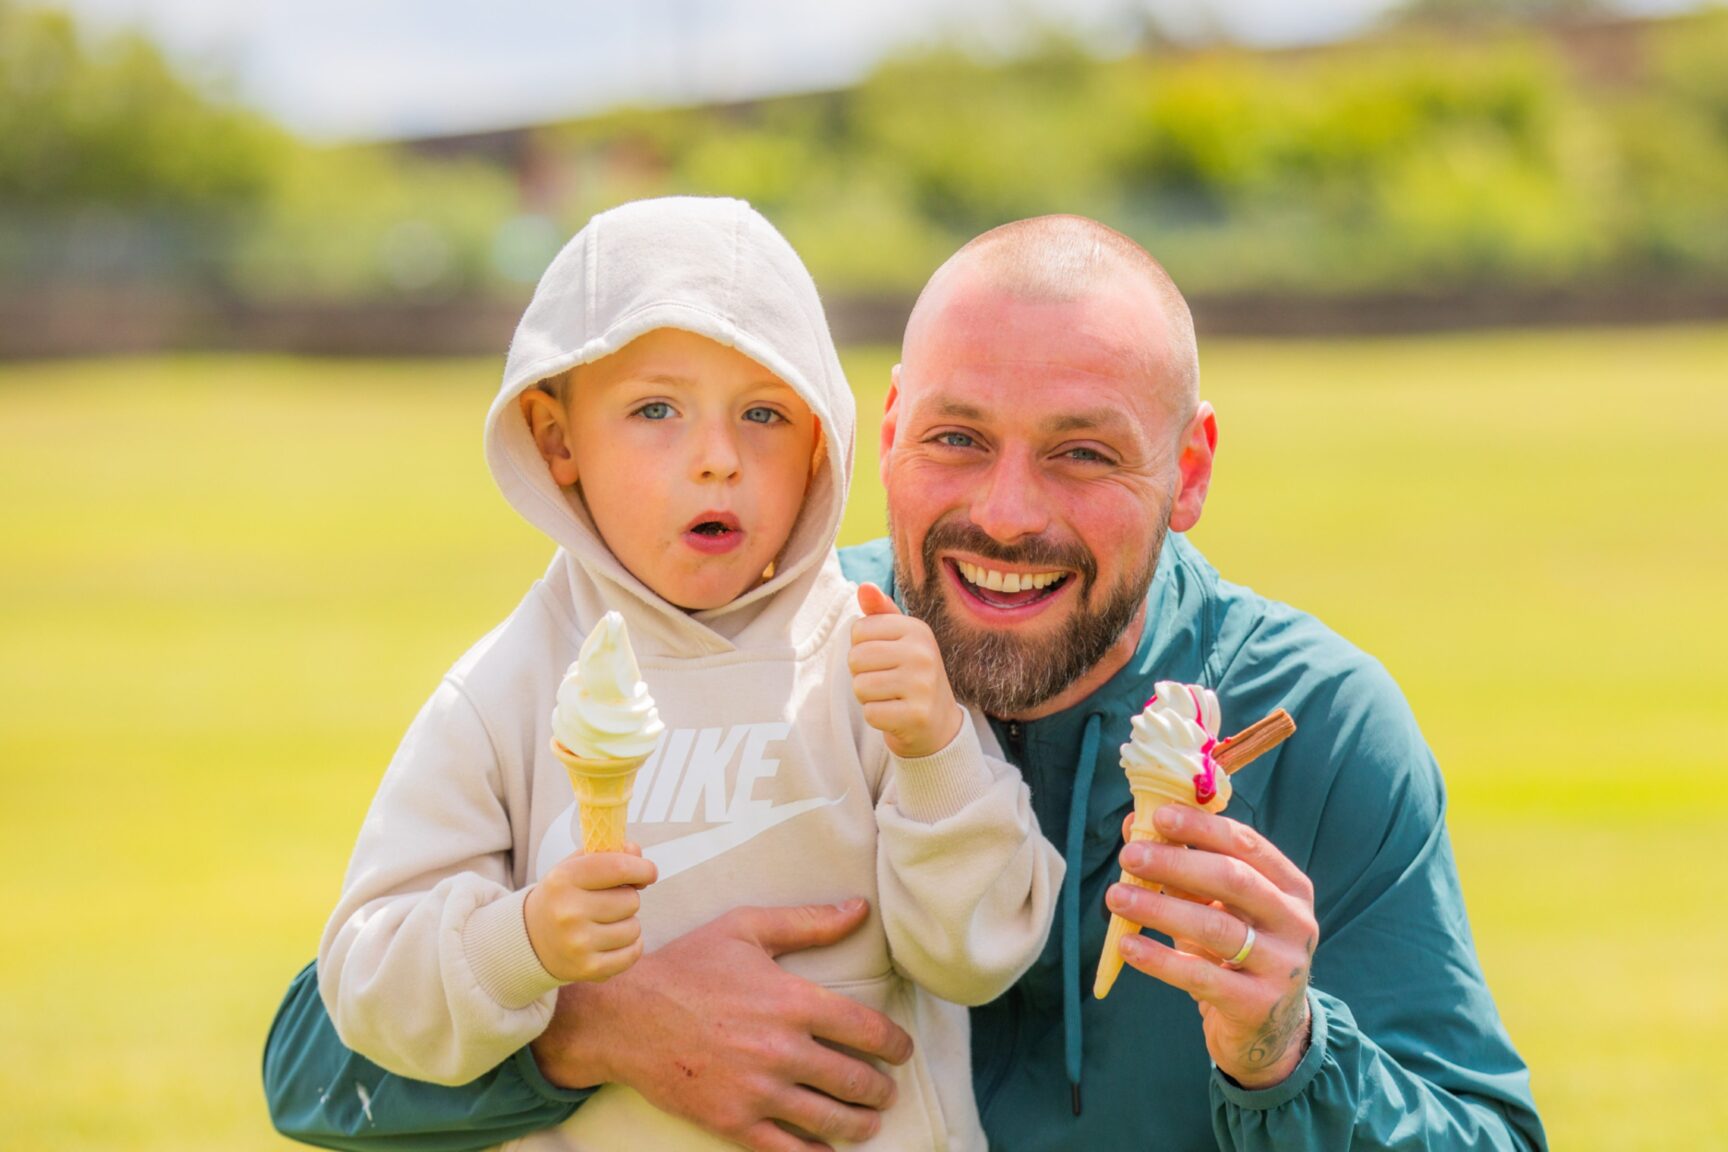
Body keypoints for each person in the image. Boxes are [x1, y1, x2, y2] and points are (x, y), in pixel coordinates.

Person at [267, 214, 1548, 1152]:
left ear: (1191, 468)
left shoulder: (1317, 727)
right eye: (955, 439)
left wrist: (1286, 1055)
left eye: (1084, 453)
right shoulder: (754, 639)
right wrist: (594, 1026)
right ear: (879, 433)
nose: (1006, 513)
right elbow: (318, 1071)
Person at [303, 195, 1063, 1152]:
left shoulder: (875, 661)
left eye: (763, 414)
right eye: (656, 410)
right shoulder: (505, 691)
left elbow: (977, 954)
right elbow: (372, 984)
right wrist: (525, 942)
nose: (716, 460)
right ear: (556, 439)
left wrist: (940, 752)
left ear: (821, 438)